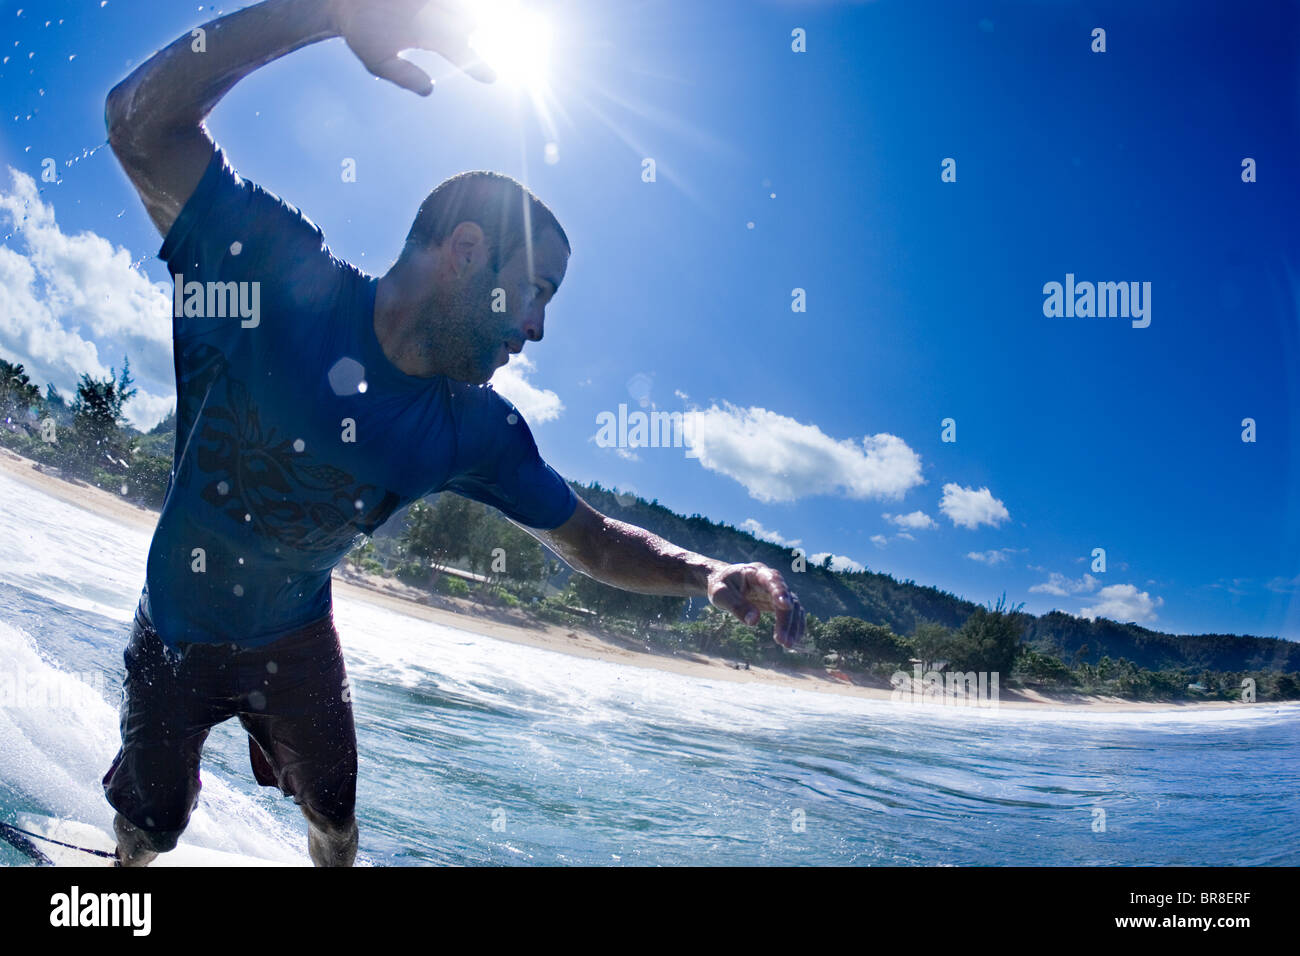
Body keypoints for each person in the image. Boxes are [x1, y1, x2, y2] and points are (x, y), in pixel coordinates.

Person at [102, 0, 806, 867]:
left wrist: (708, 573)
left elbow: (589, 538)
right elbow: (137, 122)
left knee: (335, 815)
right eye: (536, 290)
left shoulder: (476, 433)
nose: (539, 327)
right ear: (466, 250)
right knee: (150, 826)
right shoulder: (276, 274)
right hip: (173, 623)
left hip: (294, 639)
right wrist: (328, 14)